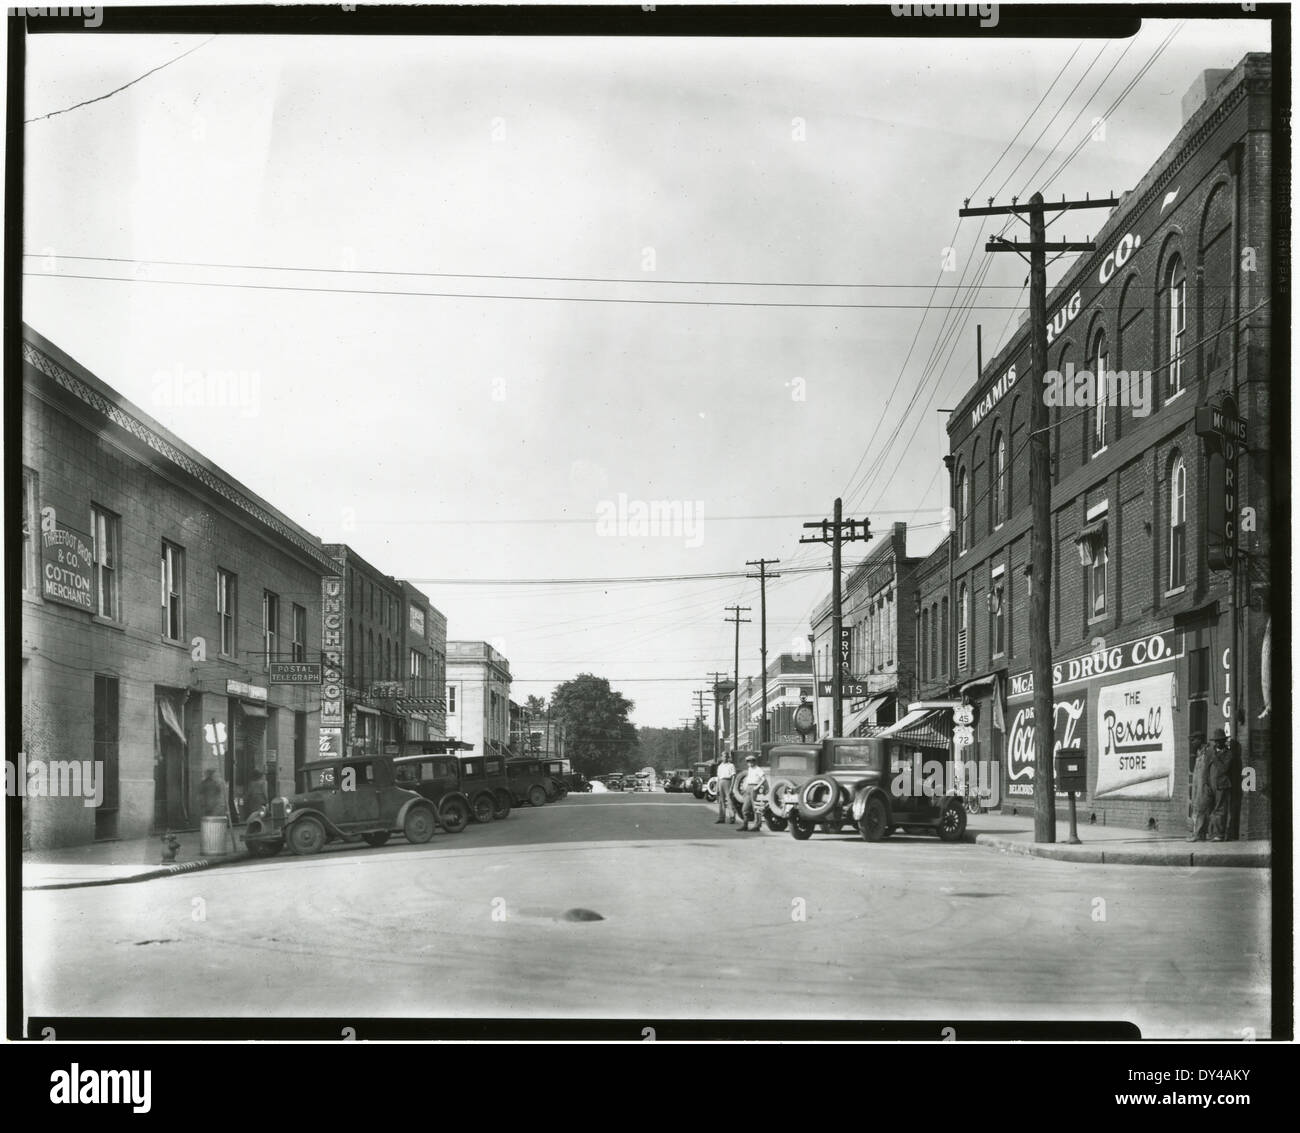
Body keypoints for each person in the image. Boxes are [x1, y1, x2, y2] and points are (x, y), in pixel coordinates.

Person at [1208, 729, 1233, 842]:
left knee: (1220, 809)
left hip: (1222, 785)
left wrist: (1214, 757)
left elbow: (1224, 769)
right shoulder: (1211, 752)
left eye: (1220, 741)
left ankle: (1219, 834)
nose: (1217, 743)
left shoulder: (1228, 753)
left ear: (1224, 741)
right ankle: (1212, 833)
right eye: (1216, 741)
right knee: (1212, 809)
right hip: (1211, 785)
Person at [1186, 734, 1211, 841]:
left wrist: (1208, 785)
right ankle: (1199, 834)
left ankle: (1198, 834)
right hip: (1197, 786)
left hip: (1204, 785)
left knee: (1201, 810)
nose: (1192, 743)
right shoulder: (1199, 753)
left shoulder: (1207, 752)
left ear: (1200, 740)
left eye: (1193, 740)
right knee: (1196, 808)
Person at [736, 754, 767, 833]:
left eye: (751, 761)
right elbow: (748, 779)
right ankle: (745, 825)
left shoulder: (758, 769)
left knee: (755, 808)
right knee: (745, 808)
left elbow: (763, 779)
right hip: (748, 788)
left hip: (754, 787)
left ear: (754, 761)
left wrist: (757, 787)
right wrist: (745, 787)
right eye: (748, 762)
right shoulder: (750, 769)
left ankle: (757, 825)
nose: (749, 763)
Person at [1225, 734, 1244, 841]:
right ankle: (1233, 833)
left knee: (1231, 811)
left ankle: (1231, 834)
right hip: (1236, 788)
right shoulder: (1238, 759)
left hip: (1232, 789)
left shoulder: (1232, 759)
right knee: (1233, 811)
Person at [714, 753, 736, 824]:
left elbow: (733, 776)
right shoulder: (720, 766)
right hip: (721, 782)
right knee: (721, 801)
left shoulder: (731, 765)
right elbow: (718, 778)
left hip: (728, 781)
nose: (725, 758)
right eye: (724, 757)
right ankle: (721, 818)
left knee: (729, 800)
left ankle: (732, 817)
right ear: (721, 757)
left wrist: (732, 787)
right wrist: (717, 787)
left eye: (726, 757)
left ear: (728, 757)